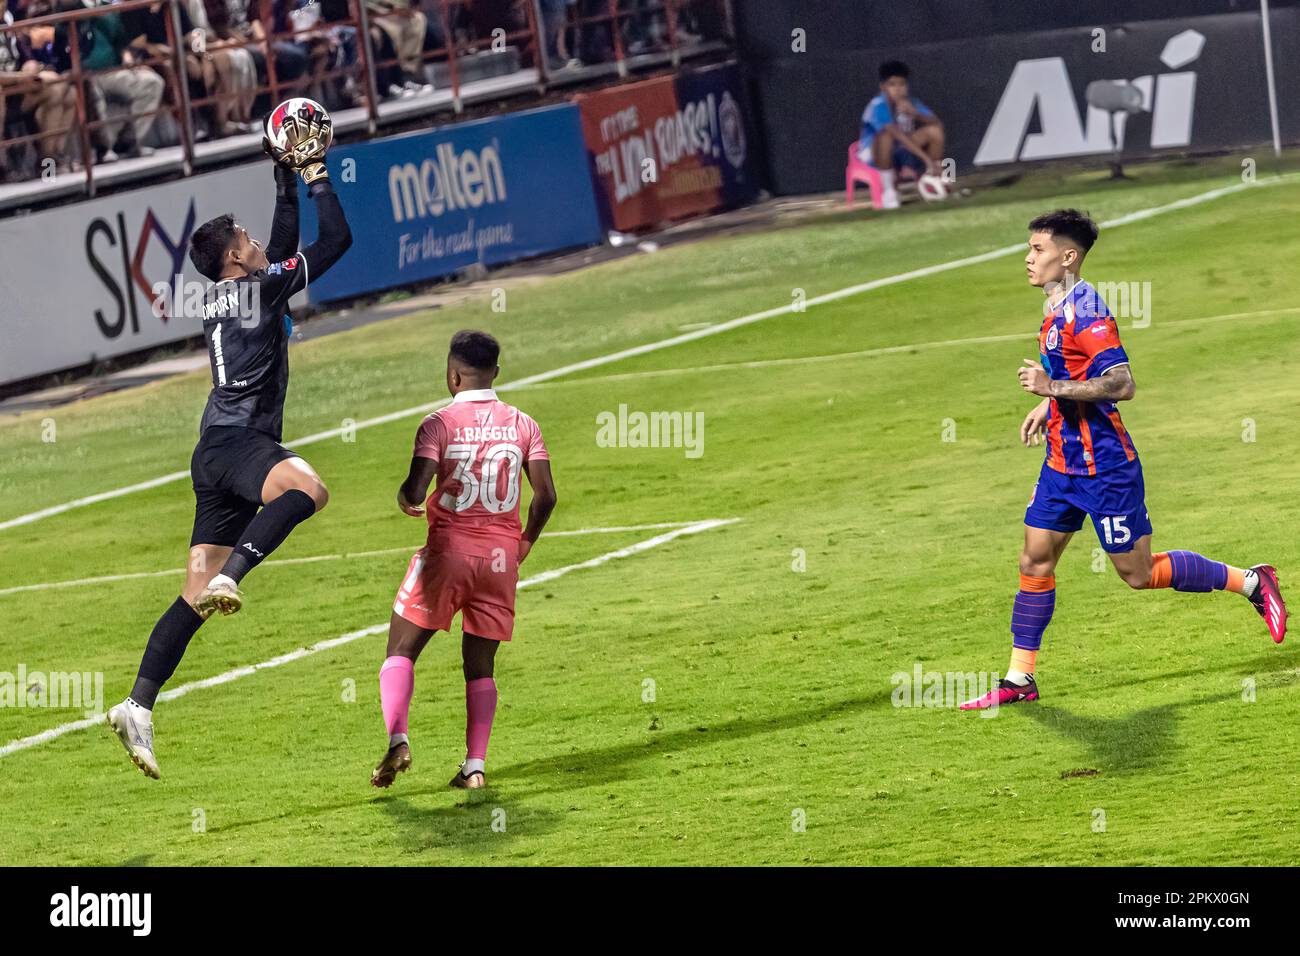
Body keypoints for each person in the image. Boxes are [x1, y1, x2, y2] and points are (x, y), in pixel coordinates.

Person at [106, 105, 353, 778]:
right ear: (236, 256)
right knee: (308, 489)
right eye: (248, 236)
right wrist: (319, 176)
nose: (259, 241)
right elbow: (335, 242)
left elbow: (286, 242)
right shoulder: (263, 289)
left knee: (190, 591)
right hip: (240, 443)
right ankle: (234, 576)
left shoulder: (228, 294)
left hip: (211, 451)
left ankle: (138, 704)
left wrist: (281, 180)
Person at [959, 209, 1288, 710]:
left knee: (1136, 574)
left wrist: (1052, 388)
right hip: (1061, 465)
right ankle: (1019, 680)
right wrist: (1049, 404)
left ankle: (1250, 581)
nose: (1028, 259)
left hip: (1106, 469)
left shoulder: (1086, 312)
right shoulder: (1055, 300)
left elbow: (1121, 383)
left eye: (1037, 250)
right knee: (1035, 559)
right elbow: (1074, 371)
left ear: (1068, 257)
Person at [371, 330, 557, 791]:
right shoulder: (523, 424)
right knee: (480, 666)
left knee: (401, 651)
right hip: (499, 562)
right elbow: (547, 496)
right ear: (496, 371)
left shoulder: (438, 423)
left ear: (452, 375)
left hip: (448, 554)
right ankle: (474, 766)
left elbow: (416, 490)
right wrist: (525, 541)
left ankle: (398, 740)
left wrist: (405, 497)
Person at [857, 59, 945, 209]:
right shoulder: (877, 105)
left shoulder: (911, 102)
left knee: (934, 131)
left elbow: (937, 123)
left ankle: (933, 179)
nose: (898, 89)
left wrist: (915, 113)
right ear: (883, 87)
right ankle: (889, 191)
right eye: (892, 84)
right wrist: (925, 159)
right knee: (886, 135)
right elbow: (895, 134)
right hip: (874, 154)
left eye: (902, 84)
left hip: (901, 149)